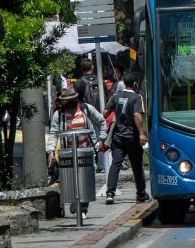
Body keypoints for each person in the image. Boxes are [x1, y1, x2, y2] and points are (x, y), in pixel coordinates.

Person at [46, 87, 107, 219]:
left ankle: (83, 208)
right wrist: (50, 151)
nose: (67, 103)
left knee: (85, 180)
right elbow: (53, 133)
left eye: (70, 100)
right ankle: (75, 200)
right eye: (65, 101)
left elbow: (102, 121)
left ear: (75, 99)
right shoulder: (59, 114)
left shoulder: (86, 109)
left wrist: (101, 139)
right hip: (68, 153)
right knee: (70, 180)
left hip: (86, 151)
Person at [104, 73, 150, 204]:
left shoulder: (115, 96)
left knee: (116, 164)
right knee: (137, 166)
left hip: (117, 137)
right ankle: (141, 193)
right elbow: (137, 115)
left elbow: (105, 112)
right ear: (135, 84)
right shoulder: (137, 97)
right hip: (132, 137)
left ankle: (110, 193)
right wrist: (141, 133)